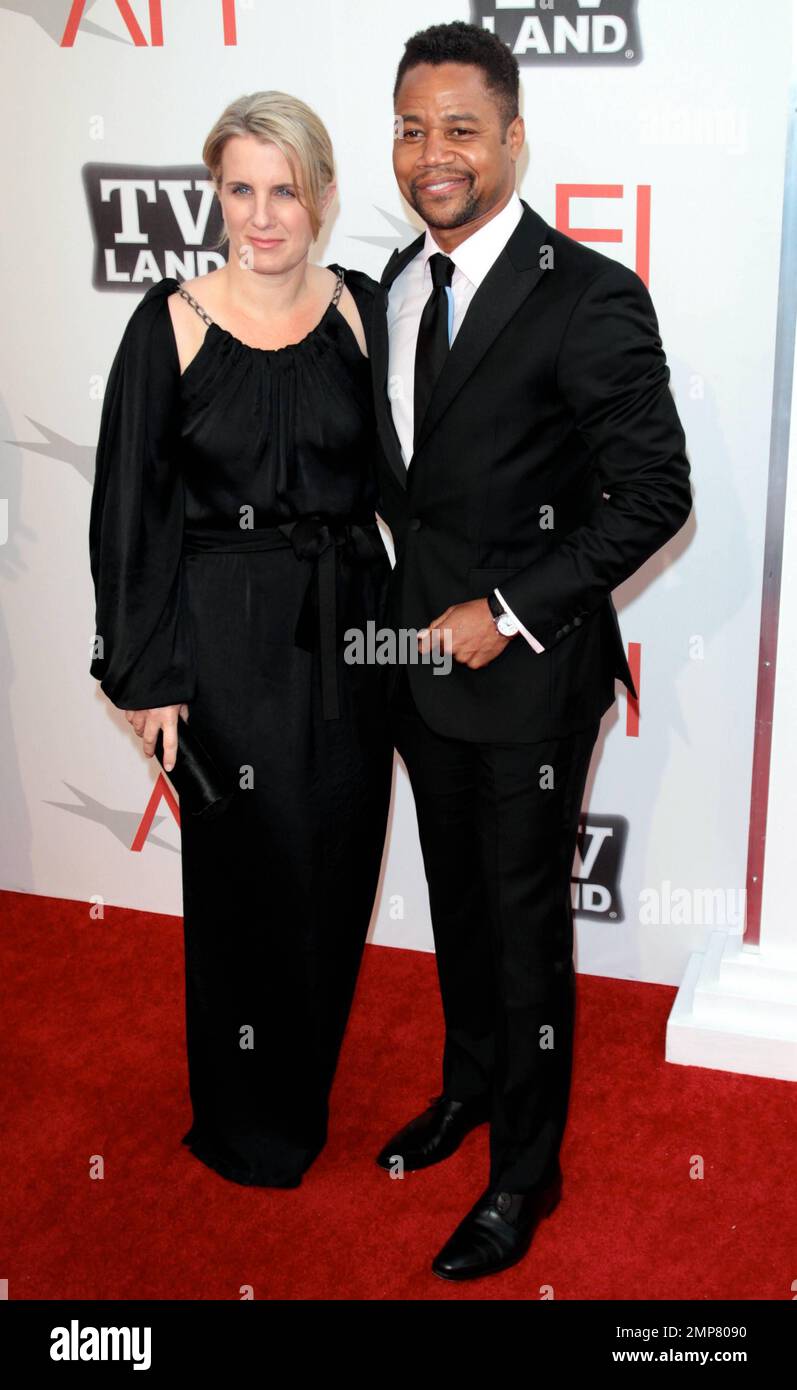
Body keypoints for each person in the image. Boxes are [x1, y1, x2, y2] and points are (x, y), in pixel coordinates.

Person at [370, 22, 693, 1278]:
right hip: (413, 672)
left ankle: (524, 1171)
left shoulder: (590, 294)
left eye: (458, 127)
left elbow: (651, 493)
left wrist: (505, 610)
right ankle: (468, 1089)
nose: (431, 152)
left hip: (531, 678)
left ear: (512, 137)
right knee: (457, 907)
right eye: (410, 126)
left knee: (519, 925)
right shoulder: (394, 285)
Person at [88, 91, 393, 1188]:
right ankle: (247, 1116)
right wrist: (144, 675)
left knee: (337, 864)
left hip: (350, 634)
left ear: (318, 195)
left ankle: (301, 1079)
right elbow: (131, 509)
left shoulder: (364, 310)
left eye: (284, 191)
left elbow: (411, 480)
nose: (262, 217)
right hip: (224, 645)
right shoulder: (168, 320)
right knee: (245, 880)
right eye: (239, 190)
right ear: (216, 194)